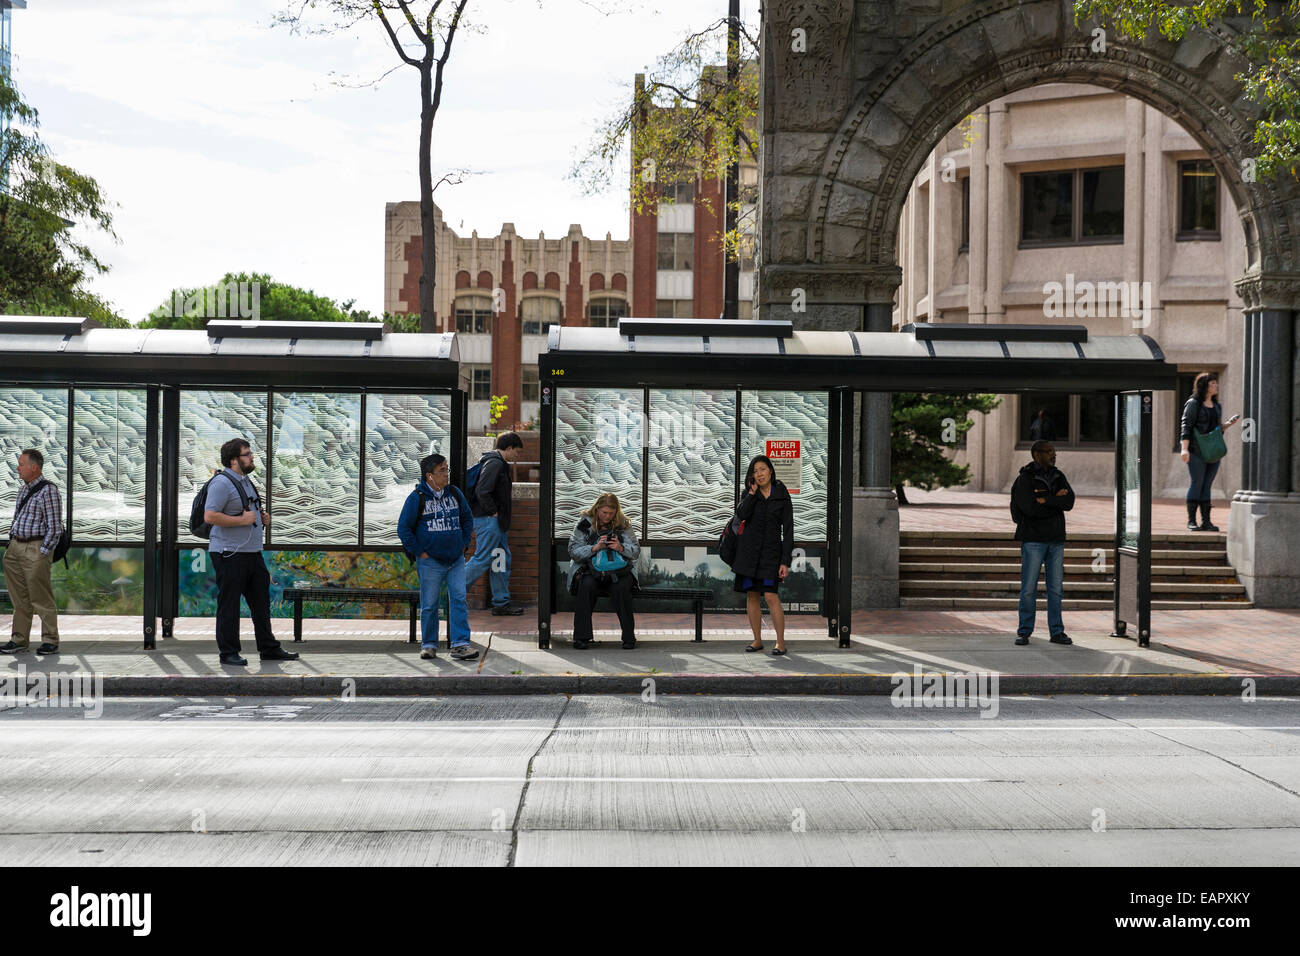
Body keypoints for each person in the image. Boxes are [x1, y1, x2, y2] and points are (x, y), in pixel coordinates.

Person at [203, 437, 298, 666]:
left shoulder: (245, 481)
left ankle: (268, 647)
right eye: (247, 454)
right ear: (234, 460)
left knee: (261, 602)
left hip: (251, 552)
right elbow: (210, 516)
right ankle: (228, 652)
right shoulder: (221, 483)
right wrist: (242, 520)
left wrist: (261, 518)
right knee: (230, 604)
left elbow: (248, 511)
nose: (252, 457)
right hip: (229, 553)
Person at [398, 453, 479, 661]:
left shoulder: (454, 493)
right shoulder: (417, 497)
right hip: (430, 561)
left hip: (456, 560)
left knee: (459, 600)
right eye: (441, 471)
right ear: (429, 476)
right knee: (430, 604)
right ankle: (429, 645)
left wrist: (464, 543)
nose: (446, 474)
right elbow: (403, 529)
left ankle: (460, 644)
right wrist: (420, 552)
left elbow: (467, 519)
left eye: (446, 469)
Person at [1010, 440, 1075, 646]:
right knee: (1029, 588)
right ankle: (1024, 631)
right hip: (1033, 541)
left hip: (1056, 540)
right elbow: (1029, 509)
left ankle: (1057, 632)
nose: (1054, 454)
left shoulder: (1058, 475)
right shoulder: (1025, 479)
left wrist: (1046, 500)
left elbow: (1070, 501)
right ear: (1037, 455)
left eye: (1054, 451)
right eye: (1049, 451)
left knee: (1055, 588)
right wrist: (1056, 501)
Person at [1, 449, 63, 656]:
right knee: (20, 598)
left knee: (40, 596)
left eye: (21, 464)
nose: (17, 468)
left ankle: (50, 640)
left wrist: (43, 551)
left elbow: (55, 527)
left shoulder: (49, 491)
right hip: (15, 547)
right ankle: (19, 639)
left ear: (34, 467)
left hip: (35, 548)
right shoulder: (22, 489)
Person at [733, 455, 794, 656]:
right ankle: (757, 640)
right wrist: (751, 494)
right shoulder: (749, 494)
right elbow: (741, 515)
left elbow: (789, 530)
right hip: (749, 554)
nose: (759, 474)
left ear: (770, 470)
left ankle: (780, 642)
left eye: (762, 469)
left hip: (771, 555)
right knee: (752, 595)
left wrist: (785, 561)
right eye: (755, 471)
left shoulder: (782, 495)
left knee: (770, 595)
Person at [566, 492, 639, 650]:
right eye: (604, 512)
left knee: (621, 589)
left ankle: (629, 637)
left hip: (619, 571)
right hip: (590, 570)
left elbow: (635, 551)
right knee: (586, 586)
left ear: (616, 512)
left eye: (611, 513)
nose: (607, 516)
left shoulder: (623, 523)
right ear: (597, 509)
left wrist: (620, 547)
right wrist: (594, 548)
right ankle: (581, 637)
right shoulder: (586, 523)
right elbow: (573, 550)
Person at [465, 432, 525, 615]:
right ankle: (452, 593)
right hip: (489, 520)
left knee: (500, 559)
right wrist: (493, 511)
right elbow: (483, 491)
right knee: (483, 558)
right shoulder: (495, 463)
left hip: (495, 522)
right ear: (508, 448)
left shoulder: (496, 462)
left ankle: (500, 602)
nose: (518, 456)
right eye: (517, 452)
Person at [1180, 372, 1239, 532]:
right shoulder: (1193, 403)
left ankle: (1206, 521)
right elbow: (1186, 426)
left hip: (1213, 452)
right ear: (1205, 386)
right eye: (1213, 383)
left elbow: (1216, 429)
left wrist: (1227, 424)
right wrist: (1184, 449)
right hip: (1196, 451)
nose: (1216, 386)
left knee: (1207, 485)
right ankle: (1191, 521)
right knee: (1197, 483)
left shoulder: (1216, 406)